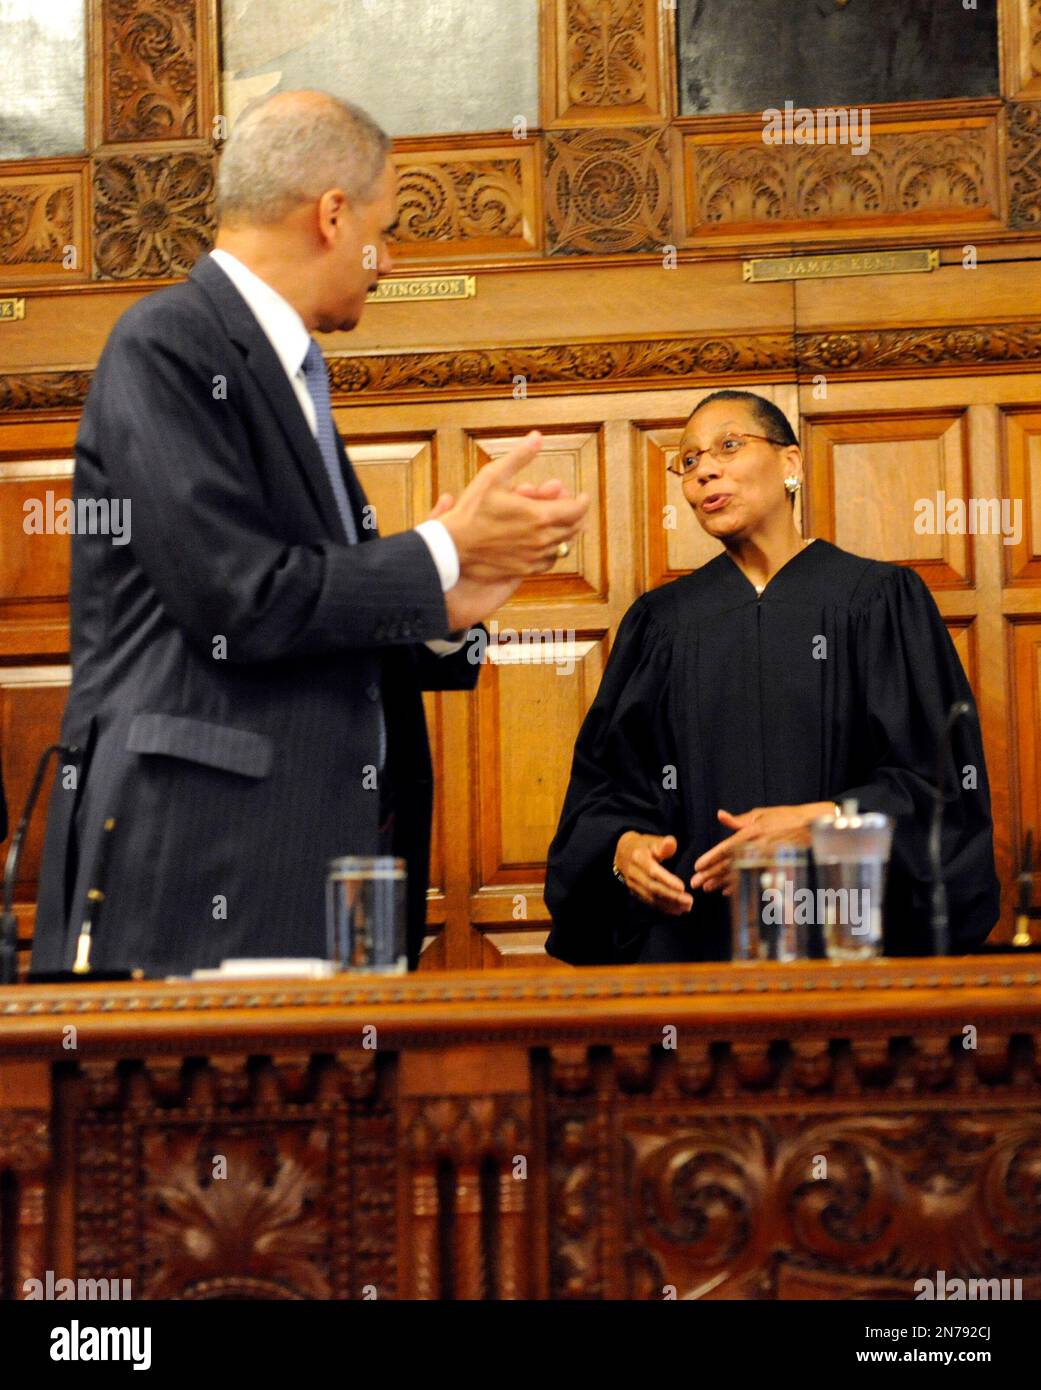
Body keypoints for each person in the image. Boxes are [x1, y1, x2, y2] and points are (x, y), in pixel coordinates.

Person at [31, 91, 587, 978]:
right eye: (386, 228)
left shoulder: (294, 369)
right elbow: (238, 598)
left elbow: (311, 598)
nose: (390, 262)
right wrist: (436, 554)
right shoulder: (166, 343)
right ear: (333, 215)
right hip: (202, 868)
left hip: (307, 869)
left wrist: (444, 603)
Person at [544, 389, 999, 964]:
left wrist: (823, 825)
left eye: (728, 446)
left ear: (791, 464)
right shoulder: (662, 624)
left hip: (847, 950)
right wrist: (623, 850)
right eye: (689, 461)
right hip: (691, 952)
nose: (705, 469)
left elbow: (938, 787)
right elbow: (604, 790)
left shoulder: (879, 602)